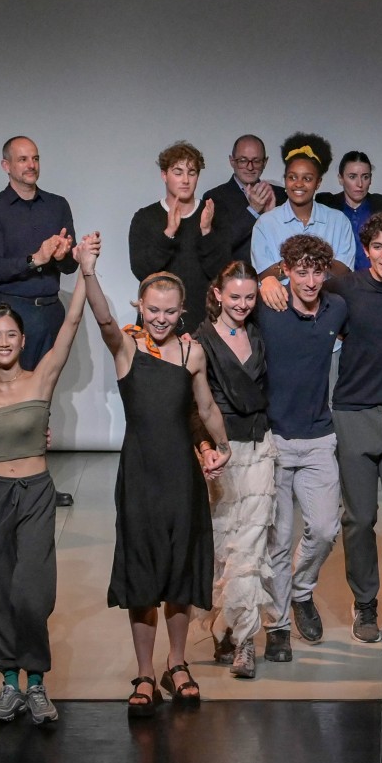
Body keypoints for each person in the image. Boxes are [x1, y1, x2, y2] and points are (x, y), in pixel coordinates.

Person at [0, 252, 102, 728]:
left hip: (34, 493)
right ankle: (10, 682)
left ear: (22, 340)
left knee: (31, 592)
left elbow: (69, 323)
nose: (4, 342)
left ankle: (38, 681)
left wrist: (86, 269)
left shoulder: (41, 378)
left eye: (11, 334)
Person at [296, 211, 382, 657]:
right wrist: (275, 281)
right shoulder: (347, 286)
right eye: (378, 246)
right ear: (366, 249)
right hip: (353, 415)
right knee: (358, 520)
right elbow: (305, 286)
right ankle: (365, 605)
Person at [104, 261, 231, 713]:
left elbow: (207, 406)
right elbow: (102, 318)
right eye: (153, 309)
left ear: (182, 312)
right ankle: (144, 672)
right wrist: (88, 272)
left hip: (181, 475)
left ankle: (177, 666)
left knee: (179, 570)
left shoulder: (191, 353)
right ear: (140, 306)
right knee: (142, 573)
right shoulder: (126, 346)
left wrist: (222, 447)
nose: (160, 317)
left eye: (169, 311)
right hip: (139, 474)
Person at [256, 234, 348, 663]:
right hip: (274, 438)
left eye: (317, 271)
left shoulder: (336, 308)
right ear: (287, 271)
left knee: (327, 528)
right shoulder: (267, 309)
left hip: (317, 438)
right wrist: (265, 280)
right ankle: (276, 628)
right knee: (279, 539)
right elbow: (226, 302)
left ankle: (301, 591)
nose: (310, 281)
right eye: (301, 271)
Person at [197, 262, 274, 676]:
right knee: (222, 547)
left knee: (250, 547)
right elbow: (195, 402)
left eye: (249, 297)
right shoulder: (200, 341)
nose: (243, 304)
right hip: (221, 451)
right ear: (218, 295)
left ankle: (246, 641)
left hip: (260, 445)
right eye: (235, 296)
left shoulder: (258, 335)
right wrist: (206, 447)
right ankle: (222, 631)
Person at [0, 135, 81, 366]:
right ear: (6, 165)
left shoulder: (57, 205)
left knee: (46, 391)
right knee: (14, 390)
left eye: (35, 158)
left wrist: (62, 256)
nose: (31, 165)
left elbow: (70, 266)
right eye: (22, 159)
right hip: (12, 313)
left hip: (51, 311)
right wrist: (36, 259)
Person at [131, 143, 214, 331]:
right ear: (164, 175)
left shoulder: (210, 214)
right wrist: (168, 233)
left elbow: (221, 271)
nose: (185, 179)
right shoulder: (145, 217)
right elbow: (141, 270)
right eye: (178, 172)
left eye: (192, 173)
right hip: (157, 322)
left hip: (204, 322)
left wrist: (207, 231)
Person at [251, 134, 358, 273]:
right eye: (292, 177)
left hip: (328, 294)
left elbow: (344, 269)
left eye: (307, 178)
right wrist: (318, 261)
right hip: (284, 295)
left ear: (318, 183)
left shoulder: (338, 221)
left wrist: (294, 263)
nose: (299, 184)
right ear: (285, 180)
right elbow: (263, 273)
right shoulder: (265, 223)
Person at [199, 134, 278, 282]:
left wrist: (271, 217)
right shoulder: (215, 197)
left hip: (275, 281)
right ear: (232, 161)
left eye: (256, 161)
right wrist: (253, 210)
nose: (250, 167)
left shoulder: (279, 194)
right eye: (243, 160)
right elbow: (220, 244)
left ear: (265, 162)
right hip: (235, 283)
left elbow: (290, 246)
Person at [320, 151, 382, 272]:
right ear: (341, 179)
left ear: (371, 179)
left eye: (365, 177)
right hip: (338, 281)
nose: (360, 184)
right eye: (352, 177)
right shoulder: (327, 204)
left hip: (375, 281)